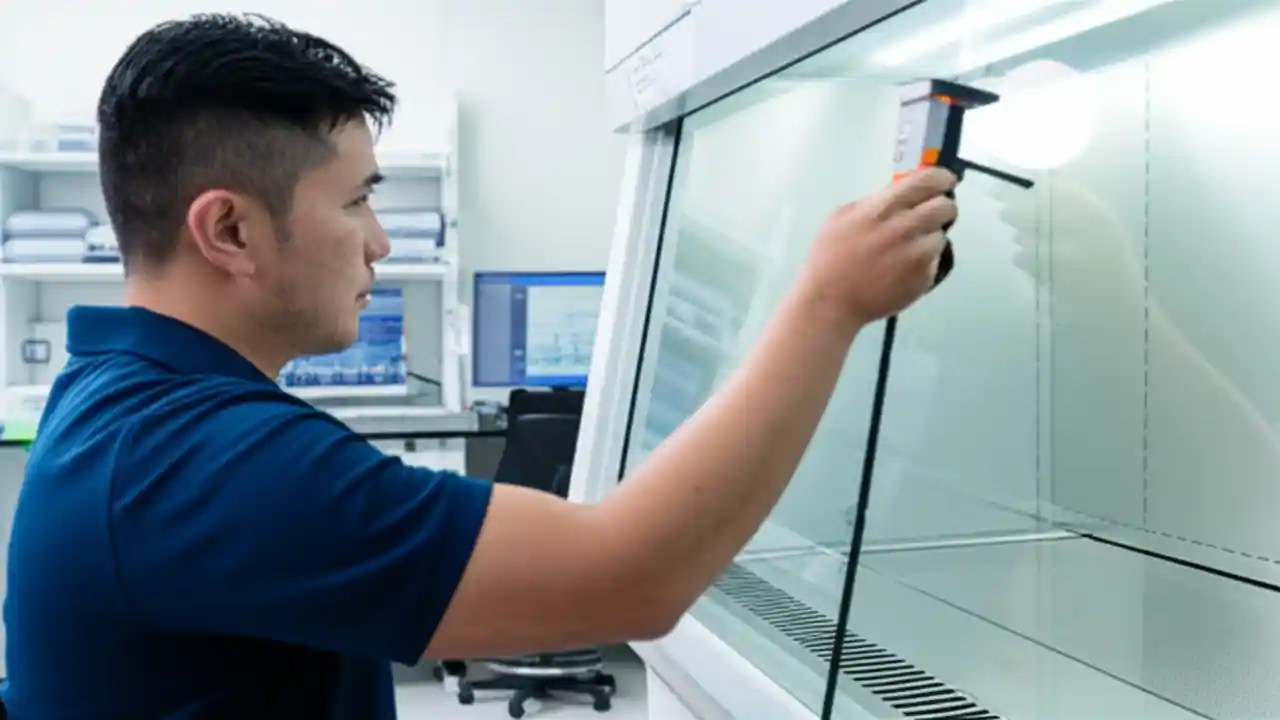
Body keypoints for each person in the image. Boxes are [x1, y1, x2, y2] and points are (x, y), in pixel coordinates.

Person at [0, 13, 956, 720]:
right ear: (231, 228)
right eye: (356, 203)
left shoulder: (124, 403)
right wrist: (831, 302)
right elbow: (632, 579)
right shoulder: (199, 463)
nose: (378, 242)